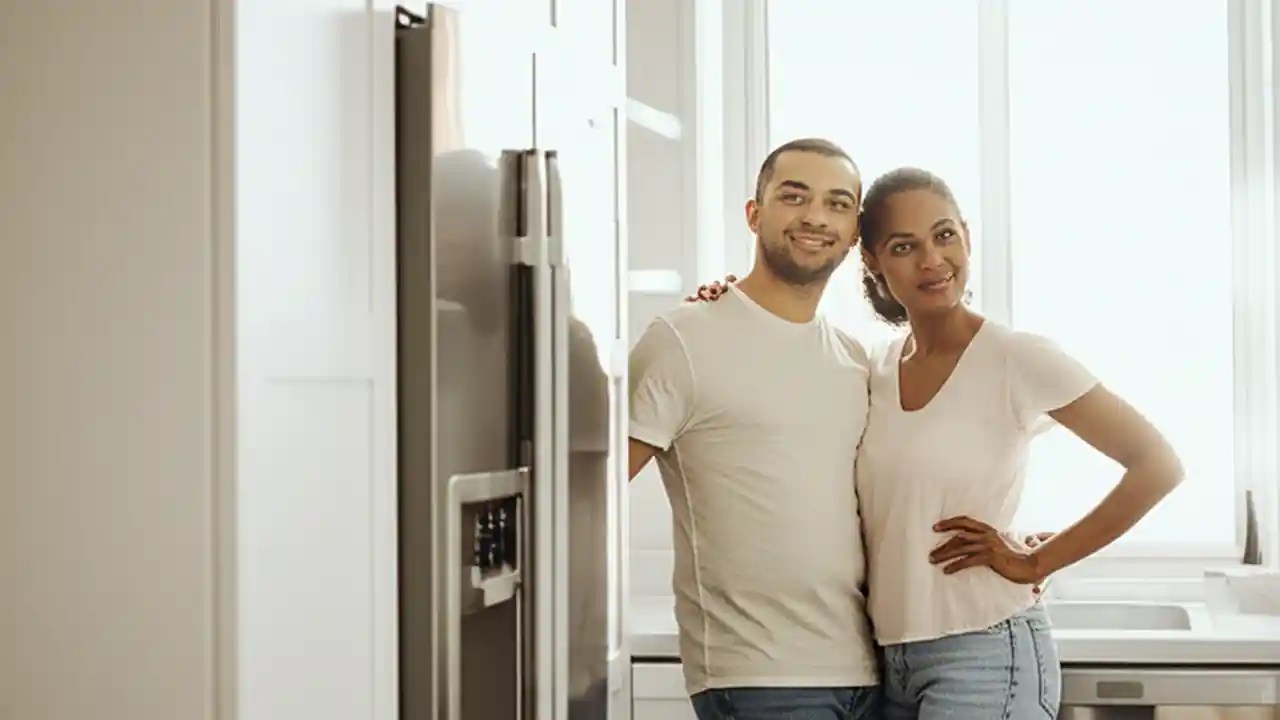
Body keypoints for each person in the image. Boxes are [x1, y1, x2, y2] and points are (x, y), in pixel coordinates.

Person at [690, 166, 1185, 718]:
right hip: (888, 663)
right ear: (872, 261)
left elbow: (1158, 465)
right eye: (904, 246)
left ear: (966, 237)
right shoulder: (873, 367)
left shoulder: (1017, 358)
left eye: (944, 235)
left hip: (986, 652)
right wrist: (728, 307)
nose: (932, 259)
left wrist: (1037, 562)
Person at [628, 137, 881, 719]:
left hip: (868, 670)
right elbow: (588, 491)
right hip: (759, 675)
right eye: (794, 196)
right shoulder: (683, 338)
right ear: (754, 213)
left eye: (837, 204)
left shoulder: (854, 360)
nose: (815, 216)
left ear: (854, 232)